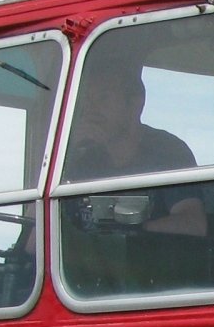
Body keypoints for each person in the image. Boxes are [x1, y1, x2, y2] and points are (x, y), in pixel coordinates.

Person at [64, 65, 205, 236]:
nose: (91, 110)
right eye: (87, 102)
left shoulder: (168, 152)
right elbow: (34, 240)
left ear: (135, 105)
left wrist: (132, 233)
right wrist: (66, 158)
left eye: (103, 99)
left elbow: (194, 224)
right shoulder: (81, 158)